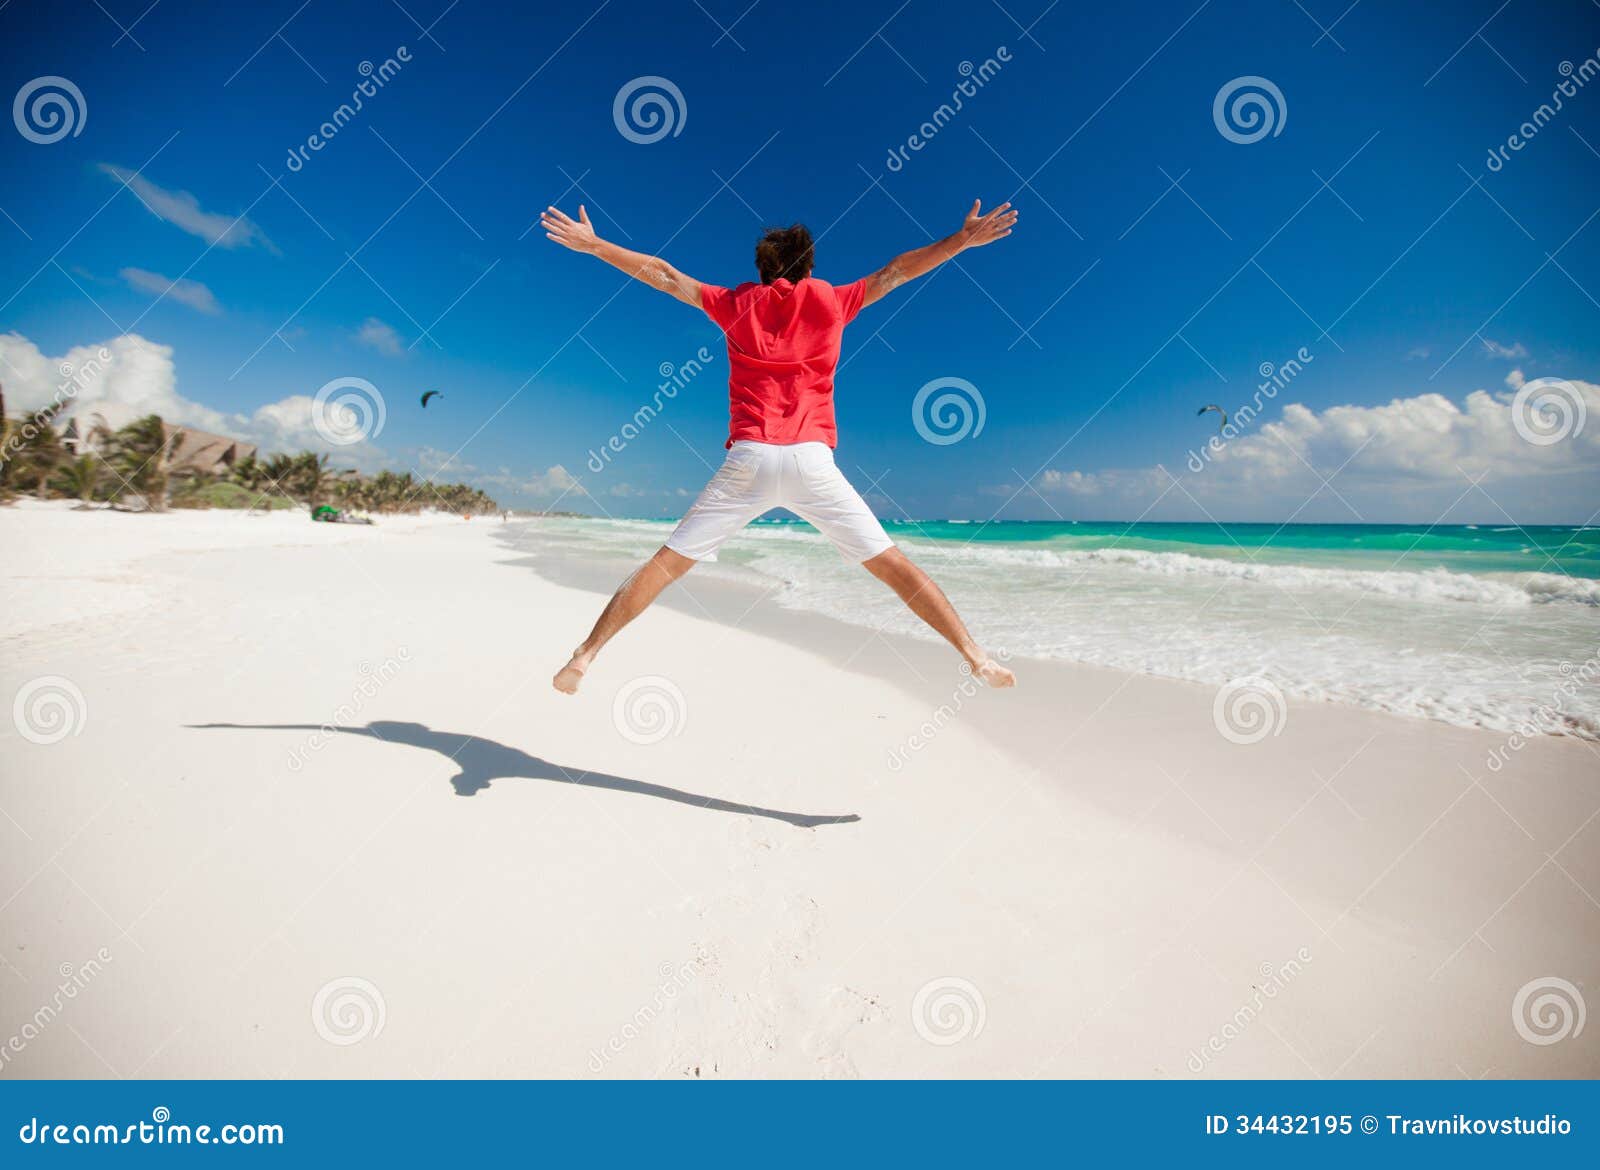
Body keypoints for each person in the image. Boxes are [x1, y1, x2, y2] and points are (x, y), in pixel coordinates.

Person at [540, 198, 1020, 695]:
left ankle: (586, 655)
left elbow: (663, 275)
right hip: (812, 462)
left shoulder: (734, 303)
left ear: (763, 270)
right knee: (893, 567)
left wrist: (595, 245)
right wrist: (962, 240)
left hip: (748, 458)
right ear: (810, 265)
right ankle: (973, 654)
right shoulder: (833, 301)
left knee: (665, 565)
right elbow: (897, 270)